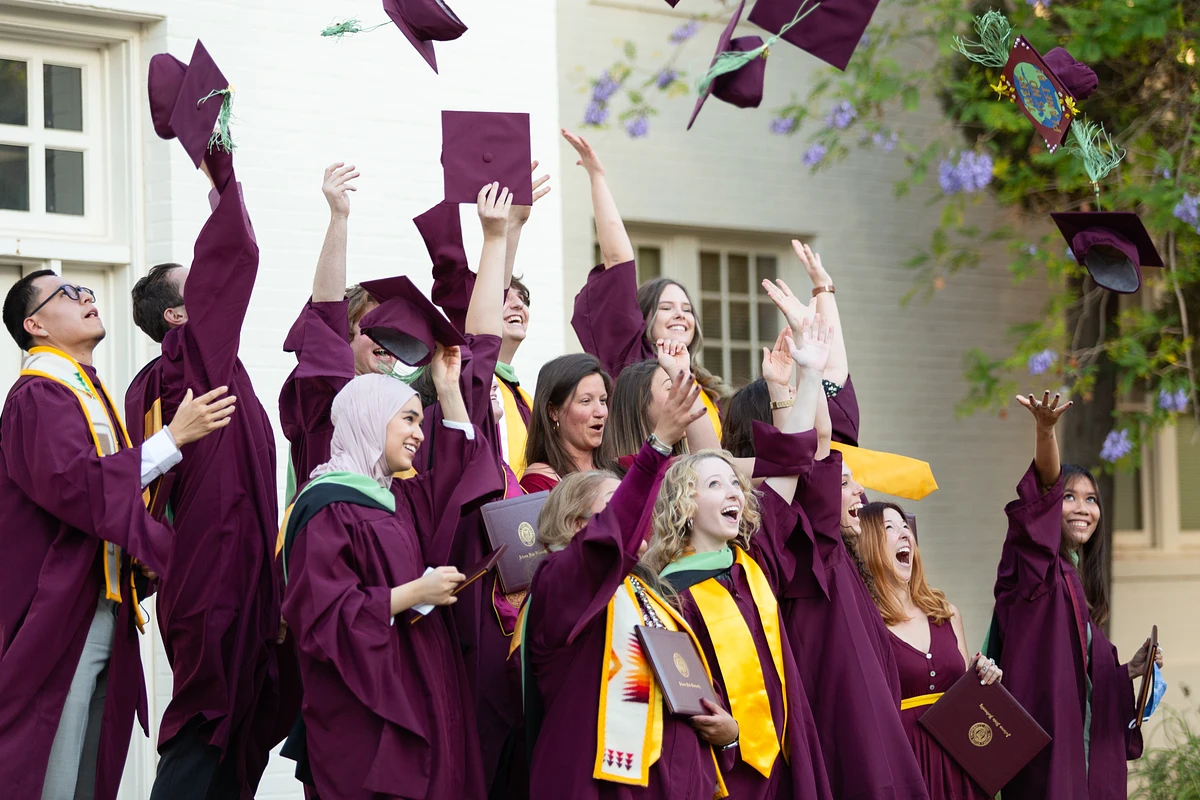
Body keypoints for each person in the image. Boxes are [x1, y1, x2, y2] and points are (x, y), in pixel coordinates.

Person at [0, 270, 234, 800]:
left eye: (85, 289)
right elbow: (74, 486)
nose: (86, 297)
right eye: (67, 294)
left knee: (91, 774)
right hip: (60, 616)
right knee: (49, 775)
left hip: (105, 605)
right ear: (33, 324)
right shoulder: (37, 395)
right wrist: (173, 438)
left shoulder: (90, 391)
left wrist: (140, 551)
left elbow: (109, 497)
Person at [125, 143, 284, 799]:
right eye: (196, 284)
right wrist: (217, 168)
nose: (212, 287)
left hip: (239, 570)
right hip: (213, 574)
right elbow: (235, 256)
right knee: (203, 727)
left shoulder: (194, 370)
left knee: (237, 728)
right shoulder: (184, 366)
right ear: (177, 316)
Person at [280, 355, 505, 800]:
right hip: (367, 705)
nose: (420, 434)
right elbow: (321, 617)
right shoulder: (326, 506)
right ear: (371, 418)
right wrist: (412, 593)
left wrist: (448, 389)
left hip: (421, 684)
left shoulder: (395, 497)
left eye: (421, 422)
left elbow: (462, 477)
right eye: (408, 419)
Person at [643, 315, 835, 800]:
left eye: (735, 483)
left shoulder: (754, 556)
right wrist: (723, 730)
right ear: (685, 505)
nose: (733, 490)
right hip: (719, 774)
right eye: (714, 484)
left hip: (789, 763)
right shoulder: (666, 595)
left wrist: (808, 376)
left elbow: (792, 460)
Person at [523, 370, 729, 800]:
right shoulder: (559, 584)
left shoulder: (656, 599)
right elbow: (607, 541)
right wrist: (657, 446)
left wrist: (726, 734)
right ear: (578, 525)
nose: (640, 522)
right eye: (616, 509)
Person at [990, 392, 1163, 799]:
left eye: (1091, 500)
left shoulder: (1077, 584)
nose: (1082, 508)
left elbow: (1081, 685)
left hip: (1078, 758)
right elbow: (1042, 491)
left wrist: (1128, 672)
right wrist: (1045, 430)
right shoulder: (1035, 567)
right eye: (1069, 497)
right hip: (1046, 754)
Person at [566, 129, 726, 435]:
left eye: (687, 309)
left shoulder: (705, 386)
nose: (681, 314)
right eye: (666, 307)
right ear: (642, 320)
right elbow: (617, 259)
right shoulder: (631, 361)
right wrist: (597, 177)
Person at [857, 502, 1000, 800]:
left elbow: (966, 690)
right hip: (903, 762)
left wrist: (986, 675)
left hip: (959, 758)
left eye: (905, 527)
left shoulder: (946, 613)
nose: (904, 534)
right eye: (889, 528)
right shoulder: (865, 623)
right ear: (869, 545)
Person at [424, 161, 550, 476]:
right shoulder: (465, 380)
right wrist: (503, 232)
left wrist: (515, 225)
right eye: (506, 299)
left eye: (524, 299)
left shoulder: (524, 397)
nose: (517, 305)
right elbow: (483, 330)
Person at [519, 353, 619, 493]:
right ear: (553, 411)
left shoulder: (621, 467)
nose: (601, 412)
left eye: (602, 400)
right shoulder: (538, 482)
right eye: (586, 401)